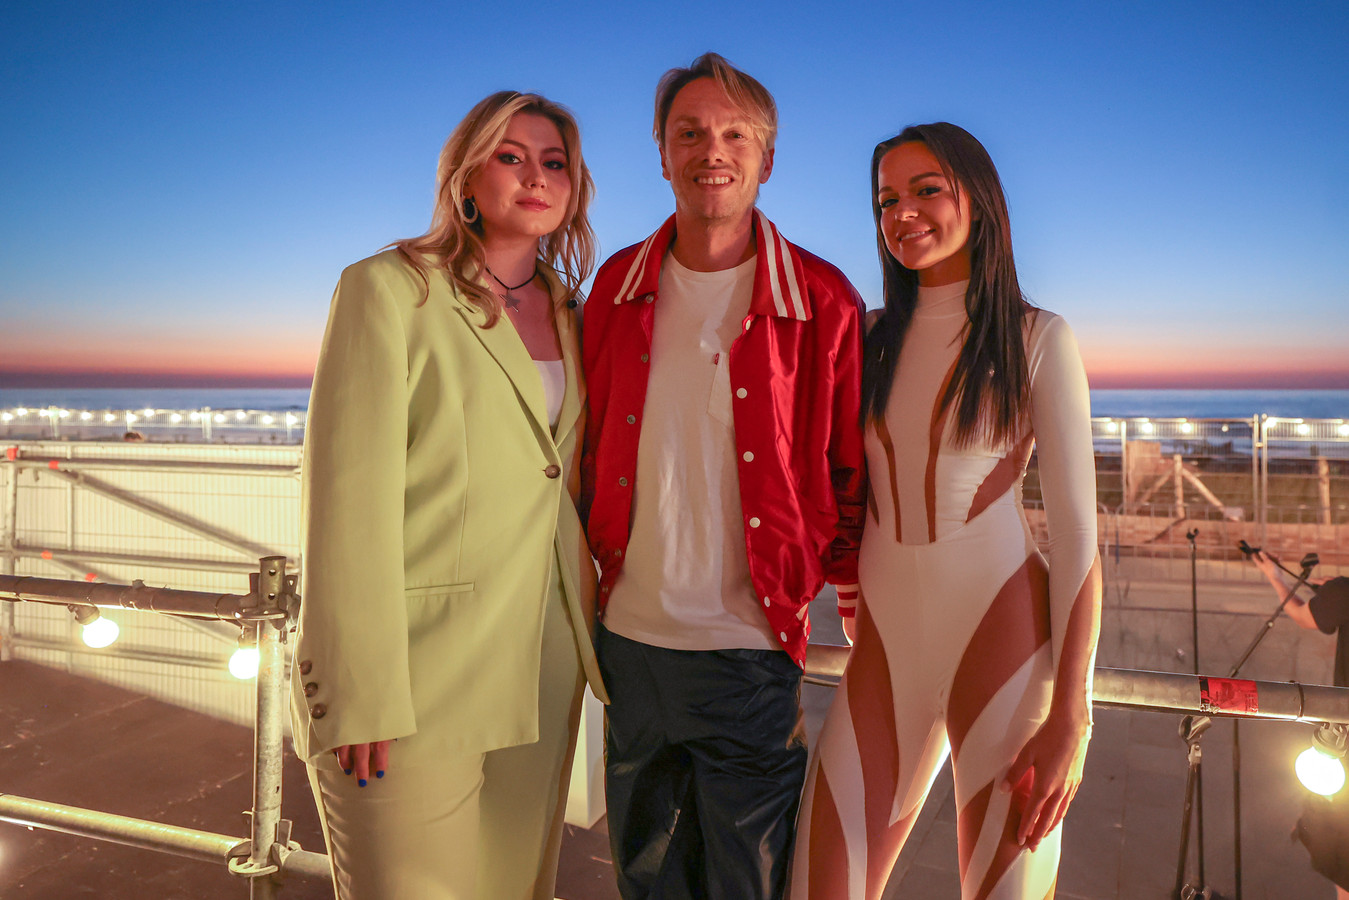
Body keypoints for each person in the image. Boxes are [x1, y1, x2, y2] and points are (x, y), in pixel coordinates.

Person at [289, 90, 608, 900]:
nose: (535, 176)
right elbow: (345, 501)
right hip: (414, 672)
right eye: (510, 156)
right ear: (465, 176)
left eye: (554, 162)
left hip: (543, 659)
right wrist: (357, 692)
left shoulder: (575, 313)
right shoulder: (389, 289)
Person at [580, 52, 866, 900]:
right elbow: (581, 444)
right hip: (628, 643)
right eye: (690, 132)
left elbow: (848, 471)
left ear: (766, 159)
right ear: (661, 153)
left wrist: (850, 600)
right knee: (646, 878)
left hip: (750, 648)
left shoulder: (822, 299)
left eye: (736, 134)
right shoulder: (614, 287)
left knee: (749, 882)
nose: (712, 150)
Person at [792, 123, 1102, 899]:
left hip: (1003, 647)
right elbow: (835, 487)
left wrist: (1072, 716)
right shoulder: (868, 338)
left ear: (979, 199)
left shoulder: (1037, 337)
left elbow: (1075, 537)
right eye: (885, 200)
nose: (902, 213)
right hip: (882, 656)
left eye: (925, 189)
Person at [1250, 548, 1349, 900]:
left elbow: (1300, 614)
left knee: (1343, 858)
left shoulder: (1344, 592)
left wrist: (1275, 576)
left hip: (1344, 740)